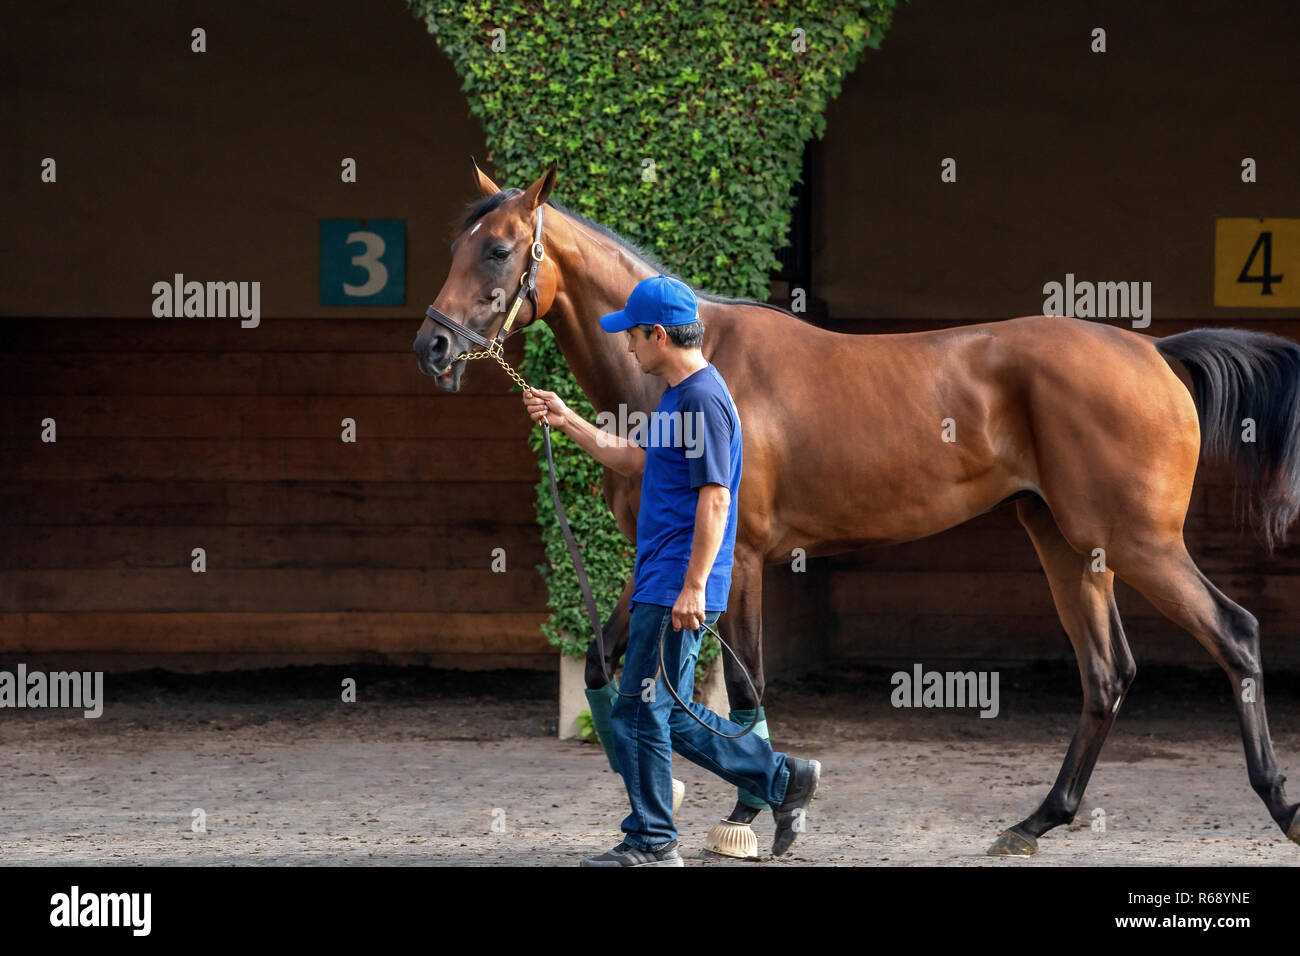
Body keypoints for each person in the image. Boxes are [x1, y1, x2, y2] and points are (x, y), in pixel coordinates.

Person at [522, 273, 821, 867]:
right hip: (664, 582)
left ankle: (654, 843)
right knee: (668, 711)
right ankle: (784, 779)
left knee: (638, 710)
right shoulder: (678, 397)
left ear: (658, 335)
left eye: (632, 334)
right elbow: (634, 459)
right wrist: (566, 419)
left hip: (675, 587)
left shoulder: (705, 399)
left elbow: (716, 499)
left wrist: (690, 587)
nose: (626, 345)